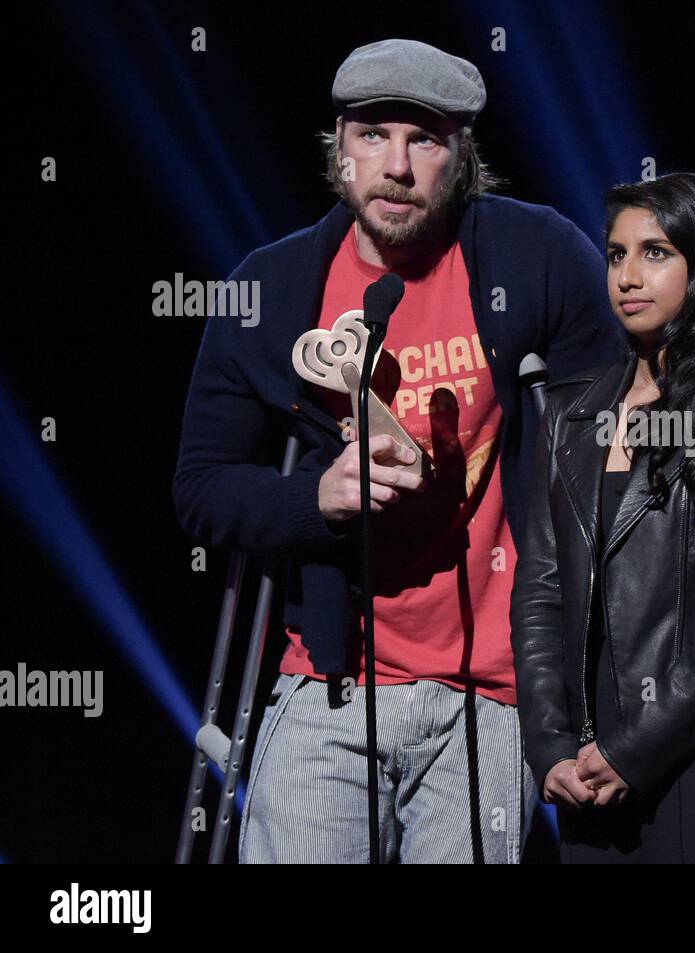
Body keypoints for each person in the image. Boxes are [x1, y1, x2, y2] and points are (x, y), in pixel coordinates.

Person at [172, 38, 624, 863]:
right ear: (338, 147)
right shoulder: (270, 293)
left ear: (463, 156)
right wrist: (318, 497)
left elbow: (620, 430)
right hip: (328, 684)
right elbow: (201, 490)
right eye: (374, 134)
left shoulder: (535, 258)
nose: (398, 165)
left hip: (493, 695)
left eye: (426, 140)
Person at [510, 172, 695, 862]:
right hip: (587, 764)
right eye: (617, 254)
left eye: (655, 252)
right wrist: (551, 744)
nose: (627, 275)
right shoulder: (570, 414)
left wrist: (636, 747)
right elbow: (539, 591)